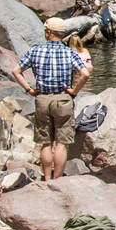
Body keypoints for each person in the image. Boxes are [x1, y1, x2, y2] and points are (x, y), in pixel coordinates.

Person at [11, 16, 90, 181]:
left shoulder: (35, 51)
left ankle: (47, 179)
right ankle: (58, 179)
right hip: (63, 99)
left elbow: (16, 71)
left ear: (48, 33)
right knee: (62, 143)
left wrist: (29, 89)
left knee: (46, 143)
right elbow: (85, 74)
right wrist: (74, 91)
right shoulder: (70, 52)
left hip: (42, 99)